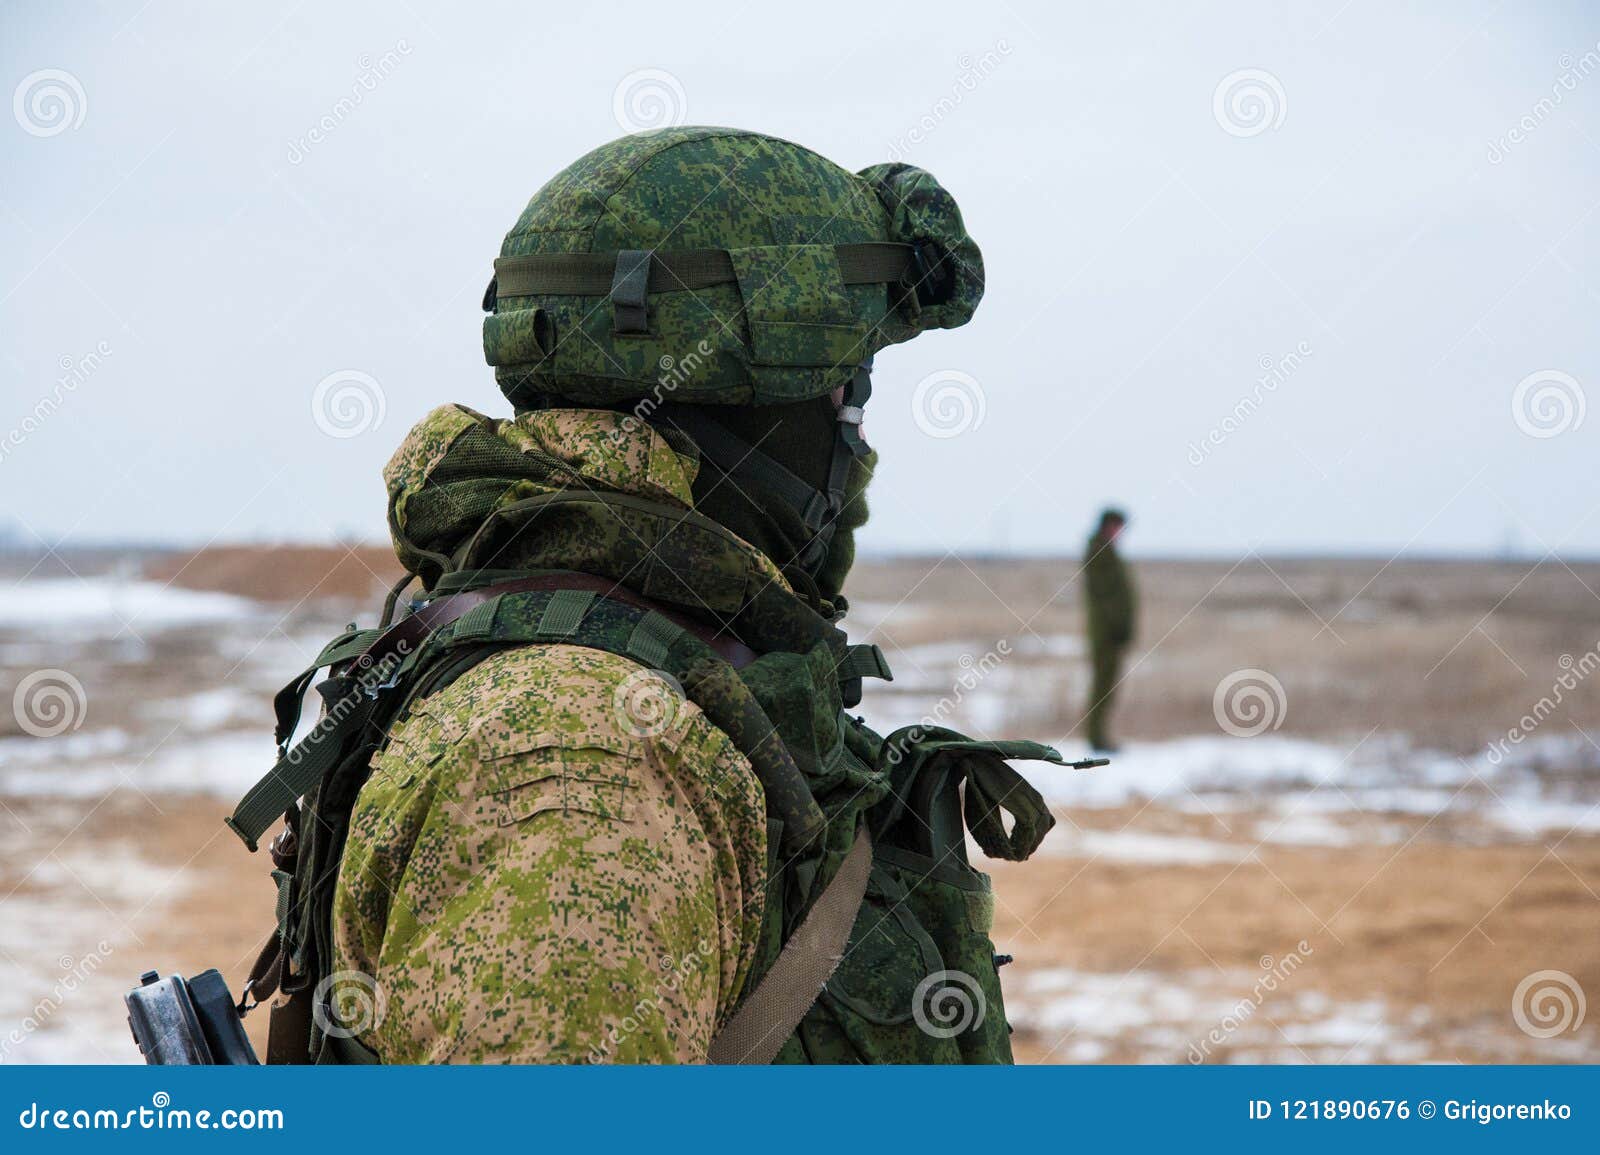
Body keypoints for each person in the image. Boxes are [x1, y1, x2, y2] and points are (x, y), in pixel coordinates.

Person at [226, 127, 1072, 1065]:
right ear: (756, 404)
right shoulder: (583, 753)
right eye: (847, 409)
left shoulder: (630, 676)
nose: (856, 458)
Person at [1082, 507, 1136, 752]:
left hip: (1112, 632)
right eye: (1117, 526)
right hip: (1105, 633)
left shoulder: (1108, 552)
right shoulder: (1099, 552)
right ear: (1107, 526)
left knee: (1107, 686)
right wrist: (1117, 627)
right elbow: (1106, 597)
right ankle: (1096, 738)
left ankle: (1099, 736)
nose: (1120, 532)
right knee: (1102, 686)